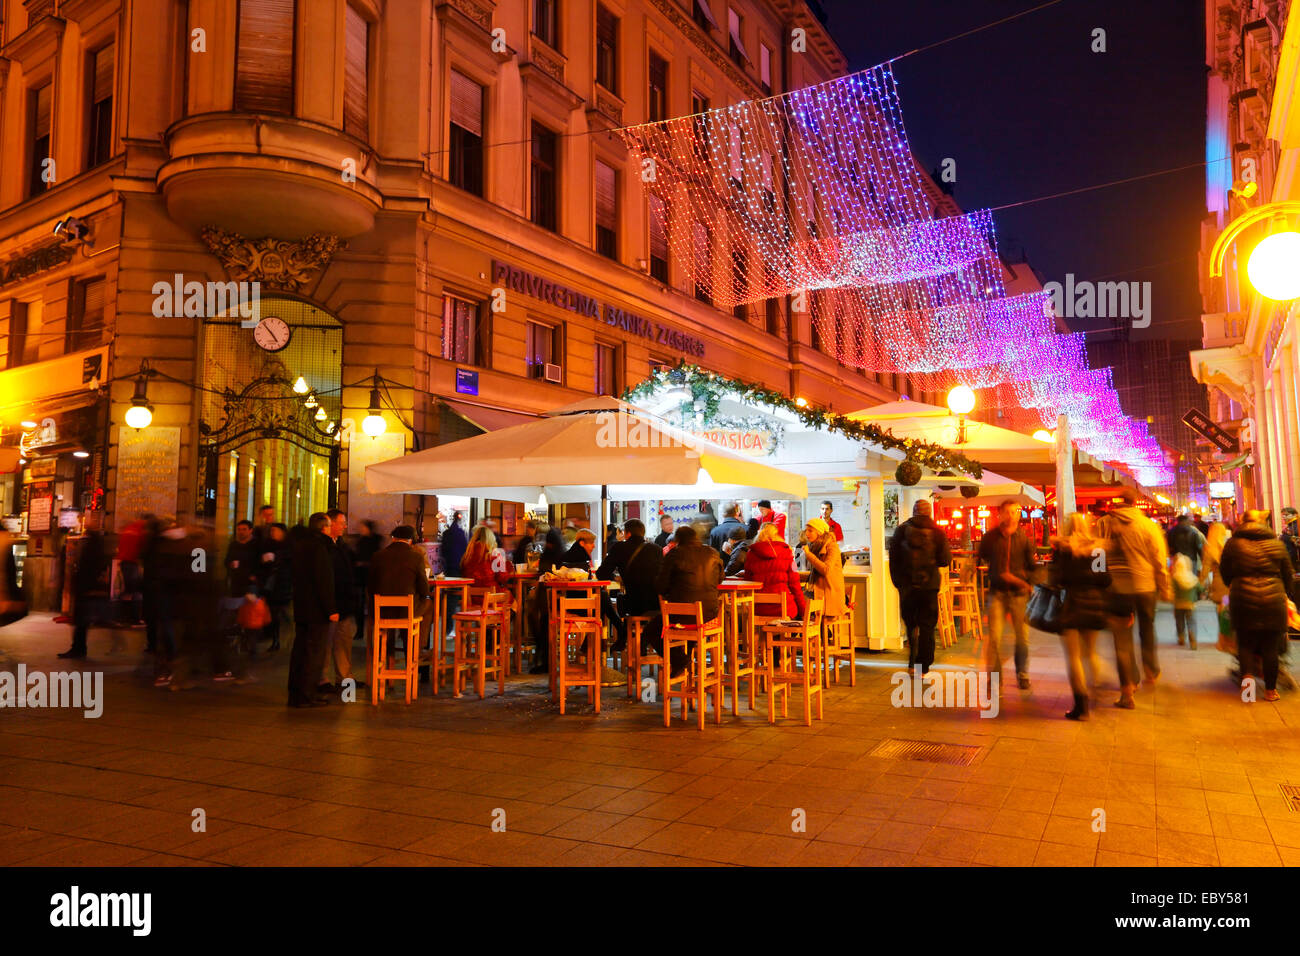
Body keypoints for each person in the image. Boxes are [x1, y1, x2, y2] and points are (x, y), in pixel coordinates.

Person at [1101, 486, 1171, 705]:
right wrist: (1164, 586)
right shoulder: (1148, 525)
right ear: (1135, 502)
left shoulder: (1105, 523)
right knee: (1147, 627)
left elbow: (1097, 557)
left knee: (1122, 638)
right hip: (1145, 585)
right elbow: (1159, 559)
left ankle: (1130, 683)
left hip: (1118, 588)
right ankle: (1151, 668)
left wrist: (1103, 582)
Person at [1219, 509, 1294, 702]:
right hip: (1273, 600)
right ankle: (1270, 691)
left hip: (1242, 599)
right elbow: (1288, 574)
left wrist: (1236, 585)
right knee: (1270, 648)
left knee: (1245, 646)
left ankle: (1248, 693)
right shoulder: (1276, 544)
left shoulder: (1232, 544)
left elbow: (1225, 573)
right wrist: (1283, 592)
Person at [1049, 512, 1111, 720]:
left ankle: (1081, 706)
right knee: (1090, 653)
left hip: (1072, 603)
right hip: (1094, 603)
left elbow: (1056, 578)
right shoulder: (1098, 550)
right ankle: (1096, 688)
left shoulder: (1063, 549)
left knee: (1073, 657)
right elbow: (1105, 579)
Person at [977, 500, 1038, 691]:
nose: (1012, 515)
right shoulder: (990, 538)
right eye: (1008, 512)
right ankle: (995, 678)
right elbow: (981, 556)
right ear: (1000, 515)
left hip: (1019, 594)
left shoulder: (1024, 539)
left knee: (1022, 637)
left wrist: (1022, 579)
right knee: (994, 638)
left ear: (1018, 515)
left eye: (1015, 512)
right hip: (998, 593)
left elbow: (1032, 567)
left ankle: (1022, 673)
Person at [888, 499, 951, 676]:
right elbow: (945, 560)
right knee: (927, 626)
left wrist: (898, 582)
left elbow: (894, 558)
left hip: (907, 587)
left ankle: (911, 662)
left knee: (911, 625)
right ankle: (922, 667)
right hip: (929, 586)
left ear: (914, 511)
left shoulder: (901, 530)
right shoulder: (938, 532)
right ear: (929, 512)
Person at [652, 526, 724, 676]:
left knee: (652, 631)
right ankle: (686, 663)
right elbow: (720, 579)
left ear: (678, 540)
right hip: (710, 616)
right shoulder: (713, 553)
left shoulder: (674, 555)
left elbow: (660, 586)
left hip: (682, 616)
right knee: (689, 628)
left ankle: (679, 660)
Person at [287, 513, 337, 708]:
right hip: (317, 610)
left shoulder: (301, 544)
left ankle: (295, 693)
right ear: (324, 528)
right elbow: (323, 580)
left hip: (302, 607)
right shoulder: (320, 547)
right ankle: (306, 695)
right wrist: (330, 609)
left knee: (300, 651)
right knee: (314, 653)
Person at [368, 524, 435, 664]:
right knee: (428, 605)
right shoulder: (416, 557)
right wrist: (427, 595)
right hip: (406, 611)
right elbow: (423, 588)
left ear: (393, 539)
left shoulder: (377, 556)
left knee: (392, 622)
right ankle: (417, 649)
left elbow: (371, 585)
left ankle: (387, 656)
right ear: (411, 540)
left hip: (382, 611)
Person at [597, 518, 663, 651]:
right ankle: (642, 642)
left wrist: (618, 578)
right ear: (642, 533)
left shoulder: (619, 547)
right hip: (657, 604)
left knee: (610, 600)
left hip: (634, 605)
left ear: (627, 534)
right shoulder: (657, 549)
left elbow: (601, 574)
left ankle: (629, 637)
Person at [320, 509, 361, 694]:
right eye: (341, 522)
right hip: (331, 605)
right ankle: (322, 680)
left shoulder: (341, 546)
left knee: (343, 642)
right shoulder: (325, 548)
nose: (345, 526)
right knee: (326, 643)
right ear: (330, 524)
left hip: (344, 603)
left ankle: (345, 679)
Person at [59, 531, 109, 659]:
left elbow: (86, 569)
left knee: (81, 620)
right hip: (87, 588)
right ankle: (79, 648)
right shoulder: (98, 550)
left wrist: (78, 584)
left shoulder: (91, 550)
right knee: (82, 621)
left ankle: (78, 649)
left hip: (85, 588)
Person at [741, 523, 805, 618]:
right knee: (797, 614)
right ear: (776, 534)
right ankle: (783, 632)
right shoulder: (787, 551)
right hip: (783, 608)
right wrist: (803, 610)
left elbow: (748, 582)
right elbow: (795, 584)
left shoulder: (751, 553)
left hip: (759, 609)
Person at [803, 517, 845, 620]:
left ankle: (818, 633)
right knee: (798, 605)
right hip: (818, 593)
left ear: (820, 532)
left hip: (829, 595)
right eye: (806, 531)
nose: (807, 534)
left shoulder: (832, 547)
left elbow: (826, 570)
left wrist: (809, 555)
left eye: (810, 531)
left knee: (799, 607)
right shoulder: (816, 546)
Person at [1200, 521, 1232, 653]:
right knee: (1227, 609)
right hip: (1230, 583)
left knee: (1222, 611)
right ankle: (1228, 638)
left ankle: (1225, 639)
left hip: (1219, 584)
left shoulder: (1210, 547)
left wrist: (1200, 583)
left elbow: (1205, 569)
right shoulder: (1229, 544)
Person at [462, 525, 510, 591]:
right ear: (491, 539)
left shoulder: (467, 555)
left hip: (469, 596)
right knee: (512, 599)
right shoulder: (493, 554)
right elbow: (503, 578)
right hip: (490, 594)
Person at [1172, 552, 1201, 649]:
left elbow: (1173, 590)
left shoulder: (1175, 578)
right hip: (1190, 605)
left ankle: (1181, 638)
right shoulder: (1193, 578)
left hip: (1178, 605)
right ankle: (1193, 640)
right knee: (1191, 622)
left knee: (1179, 622)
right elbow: (1200, 588)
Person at [224, 520, 260, 597]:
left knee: (249, 607)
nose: (241, 532)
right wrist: (230, 564)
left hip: (250, 583)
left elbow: (261, 562)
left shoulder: (257, 544)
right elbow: (227, 560)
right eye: (239, 529)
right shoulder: (234, 544)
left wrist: (255, 575)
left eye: (244, 529)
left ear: (251, 530)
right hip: (236, 582)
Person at [440, 511, 468, 577]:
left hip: (448, 564)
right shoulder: (461, 533)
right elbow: (465, 548)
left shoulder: (446, 533)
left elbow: (443, 550)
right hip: (458, 564)